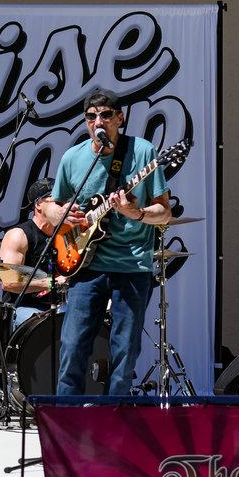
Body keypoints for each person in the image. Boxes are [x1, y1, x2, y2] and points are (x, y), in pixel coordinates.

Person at [52, 89, 171, 396]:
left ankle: (114, 419)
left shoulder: (142, 153)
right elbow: (52, 207)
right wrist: (64, 214)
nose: (98, 122)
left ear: (121, 118)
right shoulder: (73, 158)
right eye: (91, 117)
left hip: (132, 265)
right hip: (85, 266)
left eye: (106, 115)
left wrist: (138, 212)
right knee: (73, 344)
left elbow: (164, 212)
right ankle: (66, 419)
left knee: (125, 349)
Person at [0, 177, 66, 331]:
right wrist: (52, 283)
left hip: (61, 306)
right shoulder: (18, 235)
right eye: (58, 202)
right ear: (39, 205)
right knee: (45, 328)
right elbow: (8, 283)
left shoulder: (67, 234)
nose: (64, 206)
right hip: (24, 307)